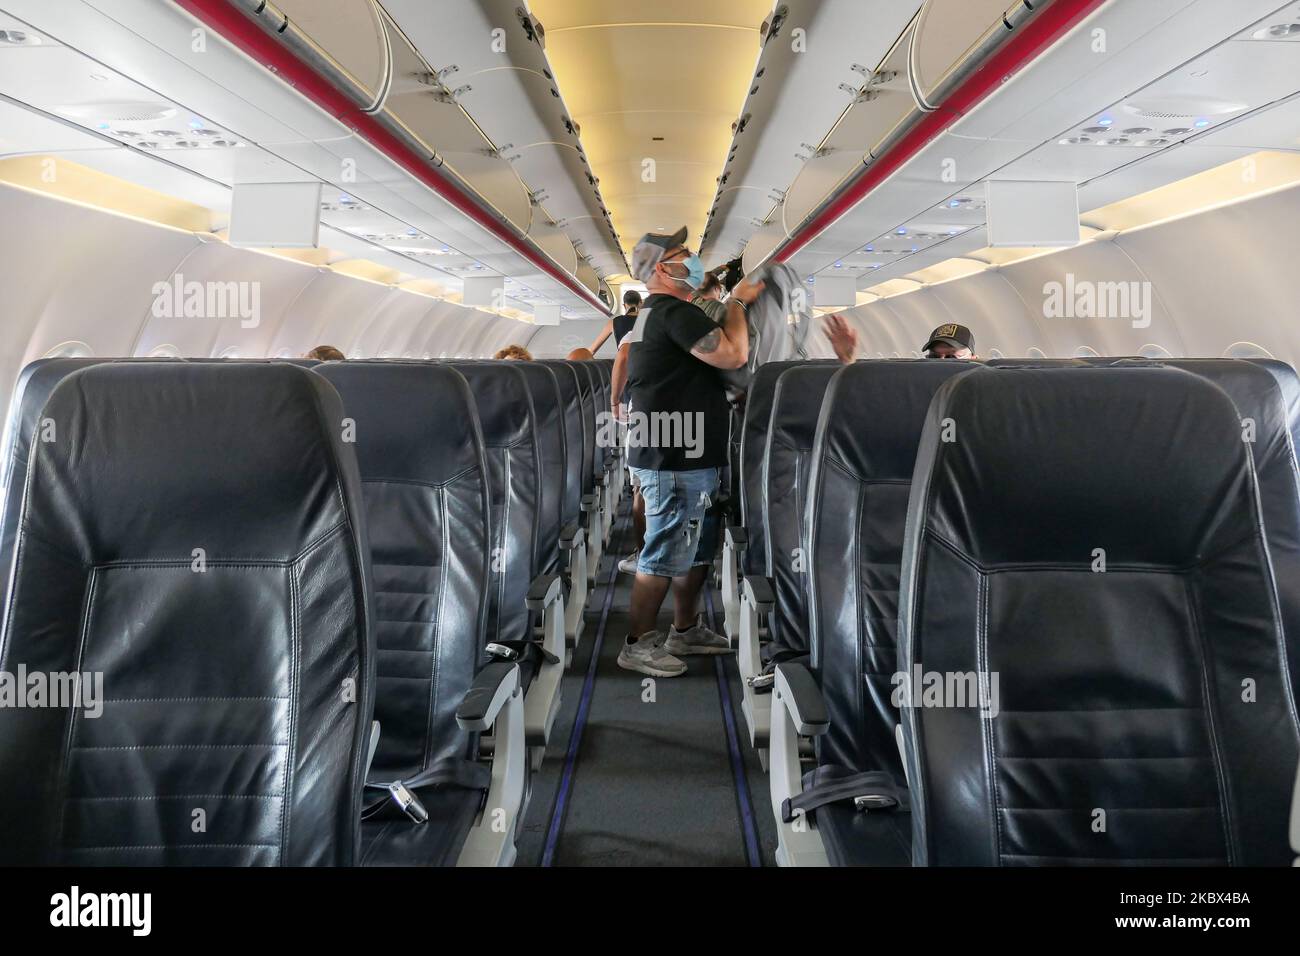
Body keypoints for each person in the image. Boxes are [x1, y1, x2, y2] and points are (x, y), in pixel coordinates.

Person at [615, 226, 764, 678]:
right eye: (684, 255)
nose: (694, 260)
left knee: (697, 549)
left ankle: (685, 628)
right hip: (674, 456)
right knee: (663, 552)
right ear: (661, 268)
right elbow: (734, 355)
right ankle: (638, 643)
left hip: (686, 451)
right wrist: (737, 301)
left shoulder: (653, 314)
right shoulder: (671, 312)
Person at [823, 315, 977, 363]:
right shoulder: (914, 388)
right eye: (935, 356)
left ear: (974, 359)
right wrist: (847, 360)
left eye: (951, 356)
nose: (942, 362)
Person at [589, 289, 643, 355]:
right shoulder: (649, 320)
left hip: (625, 362)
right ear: (640, 303)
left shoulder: (613, 322)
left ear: (624, 305)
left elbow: (592, 350)